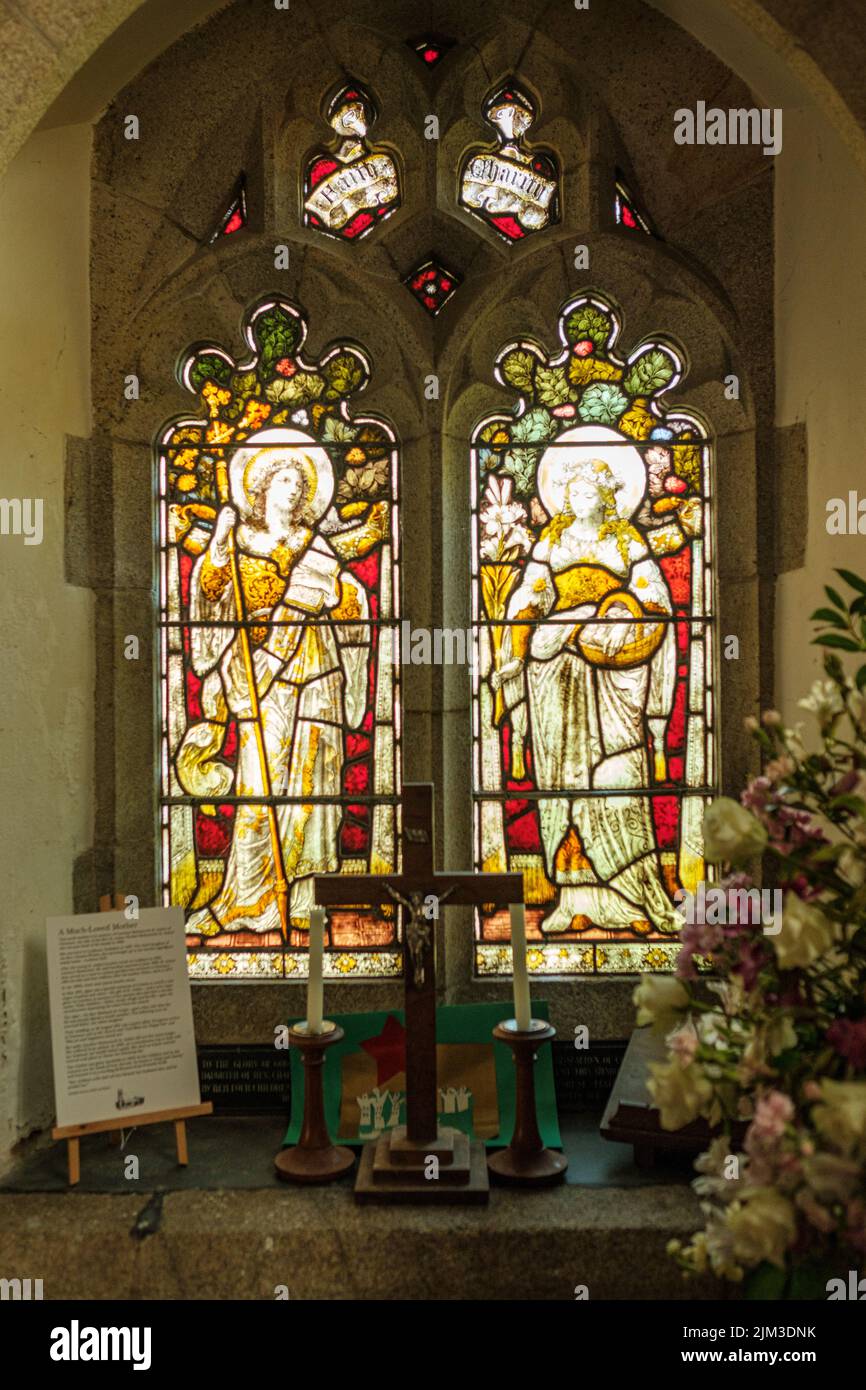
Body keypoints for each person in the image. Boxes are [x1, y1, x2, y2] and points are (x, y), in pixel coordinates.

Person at [183, 428, 369, 940]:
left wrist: (328, 605)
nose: (291, 489)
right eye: (282, 479)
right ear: (260, 488)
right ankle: (248, 899)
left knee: (315, 779)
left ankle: (308, 895)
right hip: (258, 674)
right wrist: (219, 550)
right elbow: (211, 593)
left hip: (316, 670)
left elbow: (337, 599)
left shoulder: (319, 548)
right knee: (257, 784)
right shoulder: (238, 543)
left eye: (298, 482)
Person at [492, 425, 677, 935]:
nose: (577, 497)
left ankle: (631, 896)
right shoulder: (551, 541)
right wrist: (535, 620)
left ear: (607, 496)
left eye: (587, 490)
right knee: (563, 781)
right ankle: (572, 897)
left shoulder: (626, 540)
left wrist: (609, 618)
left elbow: (653, 599)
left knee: (618, 778)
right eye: (570, 491)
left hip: (615, 670)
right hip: (556, 673)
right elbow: (528, 596)